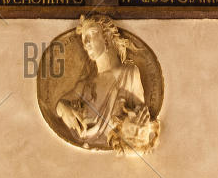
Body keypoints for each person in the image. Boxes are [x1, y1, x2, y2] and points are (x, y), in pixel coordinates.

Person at [54, 14, 158, 153]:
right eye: (84, 38)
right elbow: (60, 105)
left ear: (107, 37)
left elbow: (141, 119)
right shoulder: (85, 85)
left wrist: (136, 128)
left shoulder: (130, 74)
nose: (86, 42)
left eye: (91, 34)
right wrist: (63, 108)